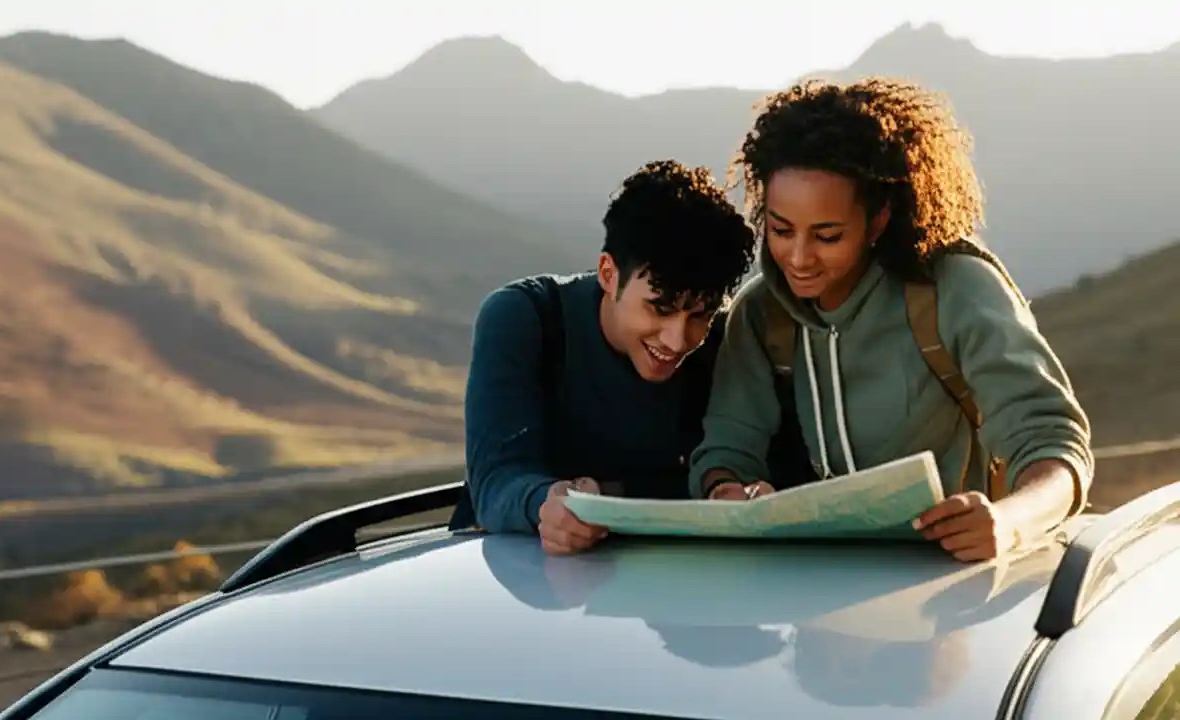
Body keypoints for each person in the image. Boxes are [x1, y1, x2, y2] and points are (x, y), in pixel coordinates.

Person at [689, 78, 1095, 562]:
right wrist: (726, 491)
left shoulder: (954, 287)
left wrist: (1009, 521)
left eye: (827, 235)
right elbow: (726, 450)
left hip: (957, 587)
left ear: (879, 218)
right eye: (780, 229)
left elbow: (1055, 444)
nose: (797, 257)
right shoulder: (761, 312)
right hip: (822, 592)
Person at [452, 159, 806, 556]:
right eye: (660, 308)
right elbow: (495, 481)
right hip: (511, 579)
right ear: (608, 273)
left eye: (700, 315)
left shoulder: (724, 343)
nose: (677, 340)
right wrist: (544, 503)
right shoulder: (524, 319)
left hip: (673, 582)